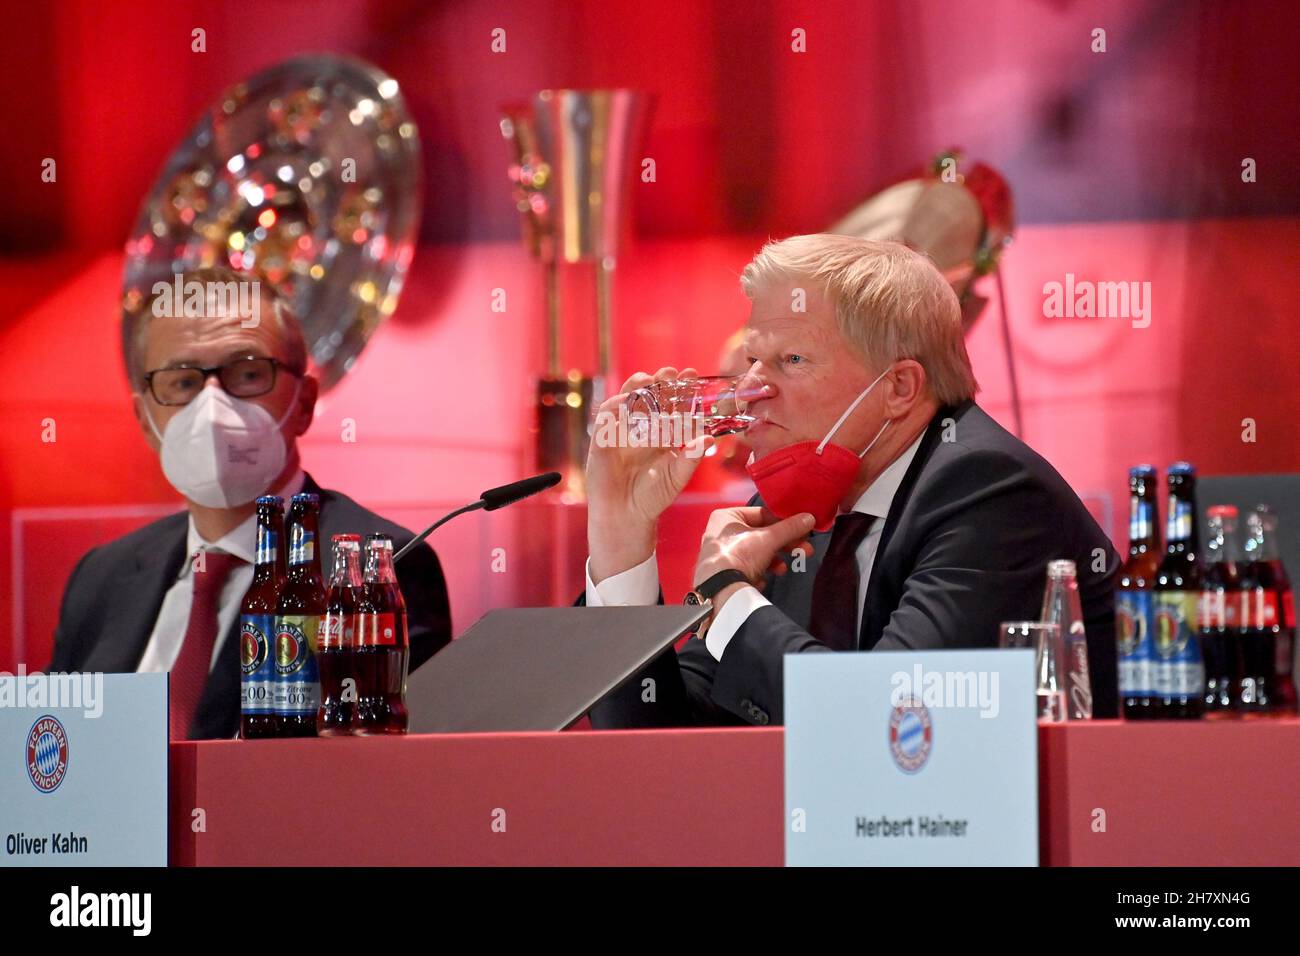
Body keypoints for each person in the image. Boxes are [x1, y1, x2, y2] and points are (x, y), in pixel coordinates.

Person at [585, 235, 1118, 727]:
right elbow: (660, 741)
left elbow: (893, 724)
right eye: (752, 359)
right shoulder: (799, 503)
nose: (749, 389)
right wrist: (620, 531)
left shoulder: (989, 491)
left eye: (791, 360)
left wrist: (729, 594)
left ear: (900, 388)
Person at [48, 266, 451, 739]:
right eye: (182, 383)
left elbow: (390, 782)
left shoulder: (373, 569)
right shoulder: (102, 577)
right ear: (144, 419)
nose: (213, 407)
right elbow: (60, 761)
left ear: (303, 404)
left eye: (248, 374)